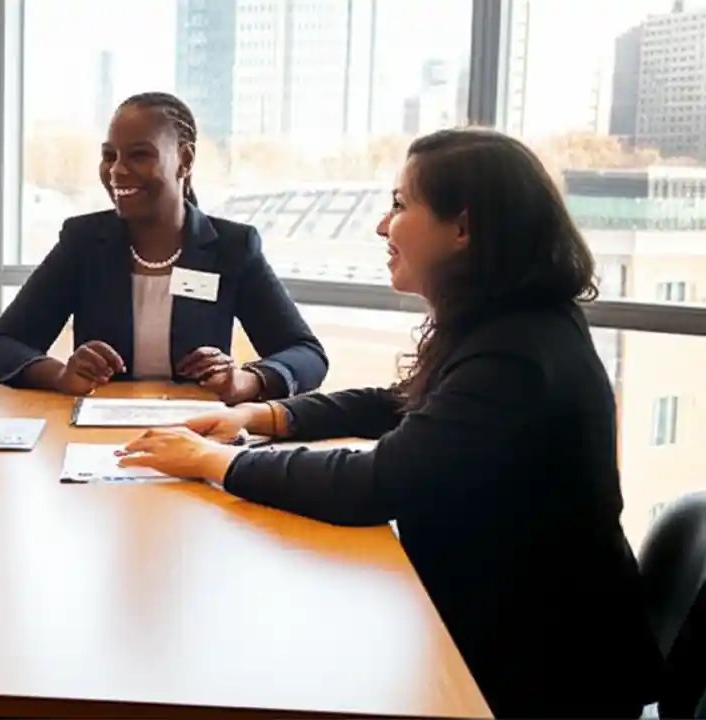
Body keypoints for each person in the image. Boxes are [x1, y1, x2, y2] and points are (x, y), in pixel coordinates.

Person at [115, 129, 664, 717]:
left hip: (542, 675)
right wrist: (262, 415)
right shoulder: (510, 326)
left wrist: (217, 463)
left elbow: (377, 483)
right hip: (499, 630)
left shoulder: (518, 354)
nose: (382, 225)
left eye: (400, 205)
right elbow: (396, 403)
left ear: (462, 228)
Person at [0, 92, 327, 404]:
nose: (117, 171)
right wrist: (59, 375)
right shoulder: (83, 243)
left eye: (139, 155)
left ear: (185, 161)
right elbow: (0, 346)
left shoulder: (232, 247)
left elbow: (306, 355)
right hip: (95, 435)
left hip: (198, 435)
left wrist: (246, 381)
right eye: (109, 156)